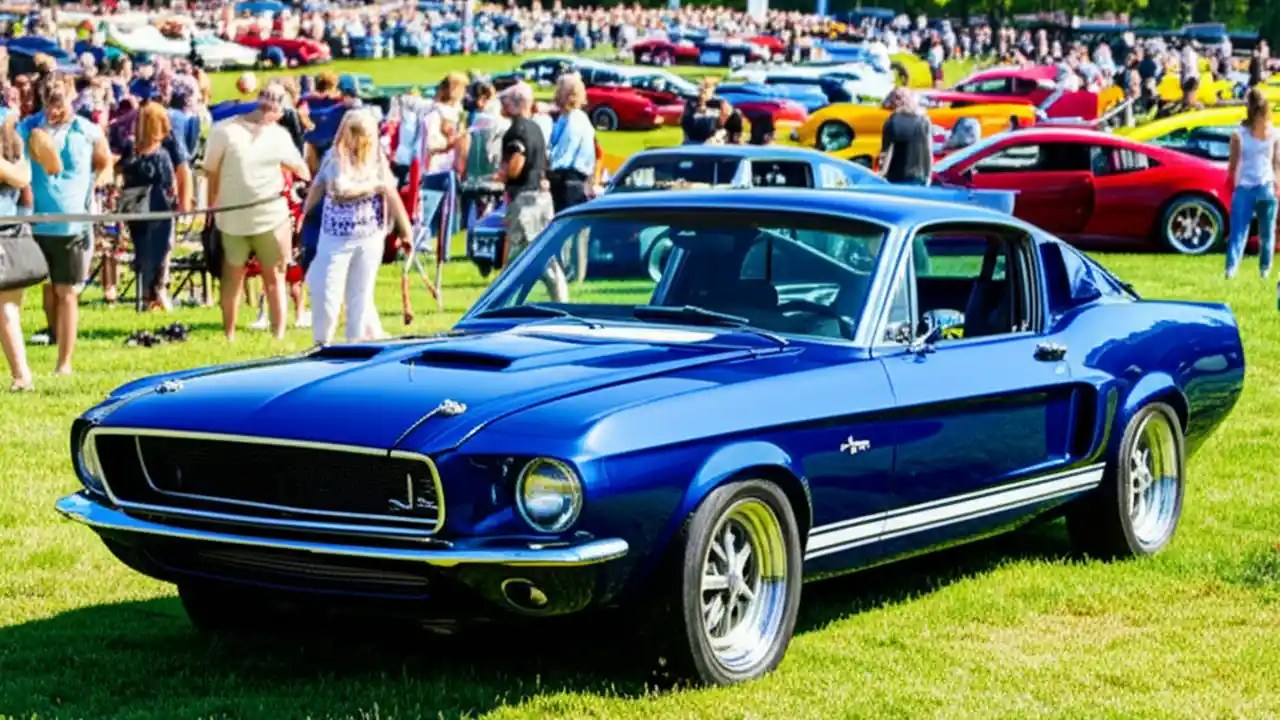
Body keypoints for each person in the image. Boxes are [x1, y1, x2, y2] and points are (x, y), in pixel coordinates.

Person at [203, 83, 310, 340]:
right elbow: (211, 173)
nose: (270, 113)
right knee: (232, 276)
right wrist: (212, 209)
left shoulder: (279, 136)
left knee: (275, 275)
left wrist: (295, 183)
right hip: (232, 218)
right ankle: (229, 335)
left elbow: (302, 171)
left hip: (271, 217)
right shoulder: (225, 131)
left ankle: (279, 336)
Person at [20, 72, 110, 375]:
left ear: (70, 99)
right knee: (39, 291)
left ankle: (64, 363)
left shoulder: (88, 130)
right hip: (35, 223)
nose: (53, 111)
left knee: (67, 291)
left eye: (58, 104)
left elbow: (104, 163)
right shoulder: (29, 128)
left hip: (72, 225)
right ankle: (37, 349)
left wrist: (94, 188)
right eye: (48, 104)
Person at [303, 110, 411, 345]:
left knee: (360, 296)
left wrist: (406, 231)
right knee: (328, 295)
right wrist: (304, 214)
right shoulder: (334, 158)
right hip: (335, 238)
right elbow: (338, 191)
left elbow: (391, 193)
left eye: (365, 135)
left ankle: (356, 343)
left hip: (369, 236)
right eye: (356, 133)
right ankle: (322, 344)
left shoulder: (377, 158)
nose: (361, 140)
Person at [498, 81, 564, 302]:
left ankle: (500, 301)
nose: (502, 105)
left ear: (516, 104)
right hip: (542, 197)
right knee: (546, 254)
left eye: (505, 101)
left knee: (515, 253)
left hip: (524, 200)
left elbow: (516, 163)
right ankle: (560, 298)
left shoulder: (516, 130)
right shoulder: (537, 127)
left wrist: (502, 175)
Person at [119, 102, 177, 311]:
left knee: (143, 251)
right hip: (158, 209)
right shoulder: (161, 155)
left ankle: (146, 295)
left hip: (136, 211)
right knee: (163, 250)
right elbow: (169, 183)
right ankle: (159, 290)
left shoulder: (130, 149)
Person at [1225, 88, 1280, 279]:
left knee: (1238, 231)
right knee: (1267, 232)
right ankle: (1265, 270)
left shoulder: (1239, 134)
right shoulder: (1273, 133)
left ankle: (1231, 269)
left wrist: (1232, 184)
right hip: (1267, 185)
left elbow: (1234, 164)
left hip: (1245, 186)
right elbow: (1276, 163)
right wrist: (1277, 185)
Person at [0, 107, 33, 391]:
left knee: (8, 310)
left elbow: (23, 178)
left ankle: (22, 376)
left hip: (6, 232)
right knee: (9, 310)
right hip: (11, 229)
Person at [418, 72, 467, 257]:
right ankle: (424, 244)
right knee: (430, 211)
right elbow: (430, 145)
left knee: (447, 213)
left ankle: (442, 251)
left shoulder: (458, 113)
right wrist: (451, 143)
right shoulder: (434, 113)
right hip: (434, 169)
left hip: (450, 168)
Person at [547, 72, 595, 213]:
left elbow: (563, 154)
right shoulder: (564, 117)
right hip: (567, 181)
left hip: (569, 182)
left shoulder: (575, 120)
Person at [877, 87, 932, 185]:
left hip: (895, 176)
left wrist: (882, 173)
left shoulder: (892, 121)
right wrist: (928, 175)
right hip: (918, 176)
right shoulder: (924, 120)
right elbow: (928, 151)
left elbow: (885, 152)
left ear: (896, 101)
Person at [681, 78, 730, 144]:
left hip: (712, 141)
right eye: (700, 91)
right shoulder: (692, 103)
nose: (702, 94)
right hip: (692, 140)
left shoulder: (719, 104)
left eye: (705, 91)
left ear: (712, 91)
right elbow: (686, 123)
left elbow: (722, 125)